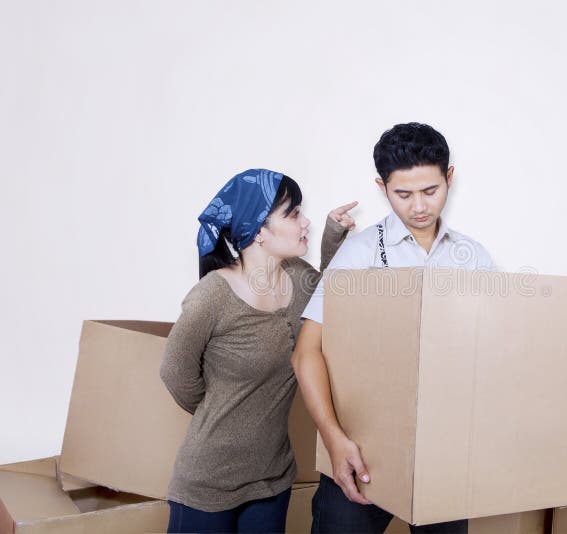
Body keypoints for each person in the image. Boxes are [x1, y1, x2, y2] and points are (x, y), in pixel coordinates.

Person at [292, 123, 494, 533]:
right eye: (403, 194)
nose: (418, 206)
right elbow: (306, 352)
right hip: (361, 448)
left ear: (449, 177)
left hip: (443, 453)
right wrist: (334, 439)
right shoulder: (359, 254)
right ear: (381, 187)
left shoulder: (472, 258)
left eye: (430, 190)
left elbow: (493, 350)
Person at [160, 168, 358, 533]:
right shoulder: (211, 297)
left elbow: (330, 298)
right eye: (293, 214)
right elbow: (175, 373)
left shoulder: (298, 277)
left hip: (272, 480)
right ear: (259, 231)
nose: (305, 222)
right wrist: (221, 410)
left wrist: (334, 236)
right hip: (208, 483)